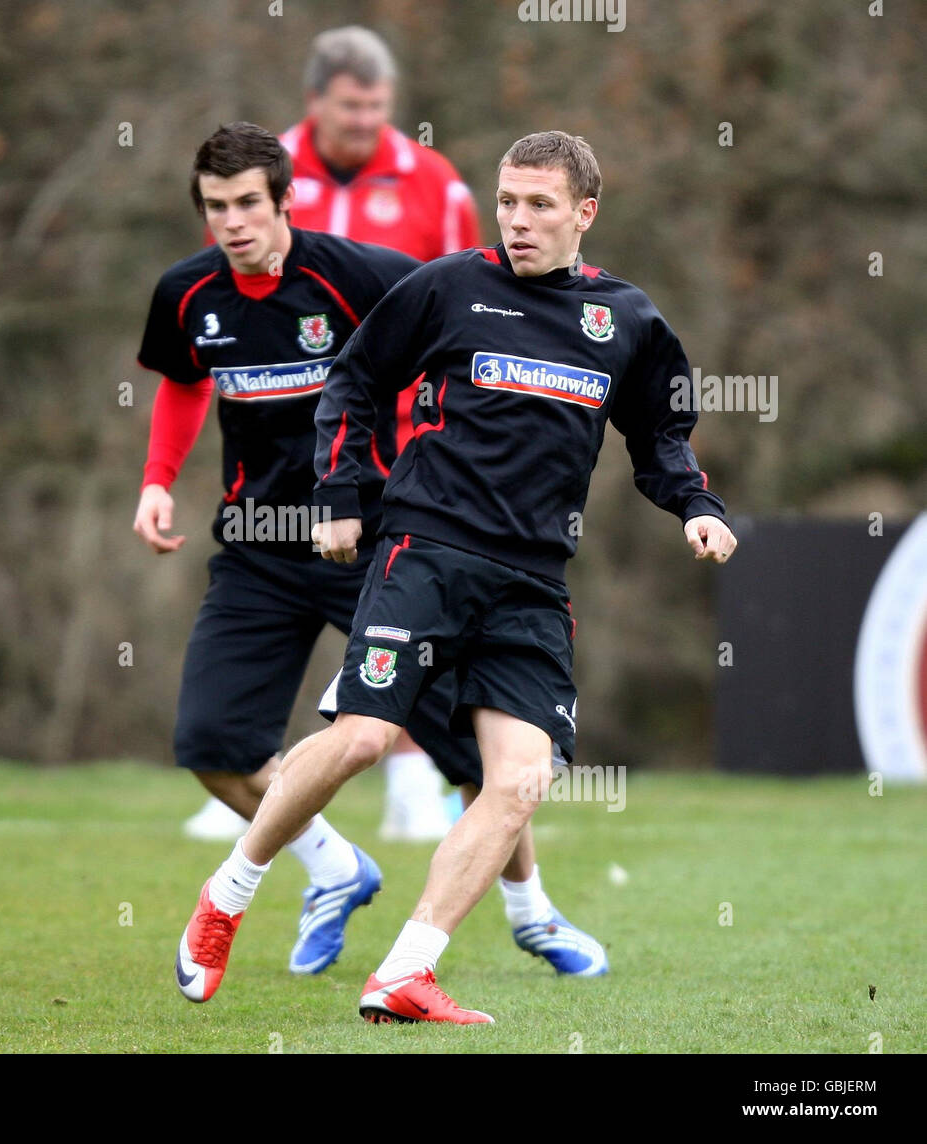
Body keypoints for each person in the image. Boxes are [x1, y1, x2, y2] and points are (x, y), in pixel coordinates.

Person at [174, 130, 737, 1022]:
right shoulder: (448, 288)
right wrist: (341, 493)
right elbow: (351, 382)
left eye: (540, 205)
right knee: (362, 738)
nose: (517, 220)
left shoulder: (625, 321)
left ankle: (406, 969)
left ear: (585, 213)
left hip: (533, 582)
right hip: (424, 552)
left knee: (516, 782)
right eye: (508, 201)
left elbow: (660, 438)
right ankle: (227, 896)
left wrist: (698, 507)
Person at [139, 123, 605, 984]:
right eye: (214, 208)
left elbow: (458, 324)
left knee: (482, 754)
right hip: (254, 546)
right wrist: (158, 477)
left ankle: (532, 913)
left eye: (248, 203)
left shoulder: (363, 274)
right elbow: (183, 382)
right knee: (211, 742)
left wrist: (377, 483)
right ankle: (334, 870)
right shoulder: (185, 293)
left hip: (376, 543)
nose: (232, 223)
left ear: (287, 201)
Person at [185, 24, 479, 844]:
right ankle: (244, 769)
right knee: (267, 593)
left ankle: (424, 780)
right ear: (316, 103)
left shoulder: (434, 182)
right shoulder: (262, 168)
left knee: (404, 607)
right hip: (279, 446)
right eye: (351, 107)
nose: (365, 122)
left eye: (379, 108)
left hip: (396, 431)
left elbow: (465, 295)